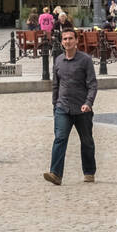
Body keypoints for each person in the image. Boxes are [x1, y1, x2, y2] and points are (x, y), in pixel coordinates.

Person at [43, 29, 98, 185]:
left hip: (82, 108)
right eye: (65, 39)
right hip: (63, 108)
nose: (67, 41)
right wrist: (55, 106)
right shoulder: (58, 61)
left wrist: (88, 103)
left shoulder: (85, 60)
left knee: (86, 141)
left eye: (70, 38)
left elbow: (93, 85)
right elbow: (55, 85)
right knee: (60, 138)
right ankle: (56, 174)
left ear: (76, 41)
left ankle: (89, 171)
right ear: (62, 42)